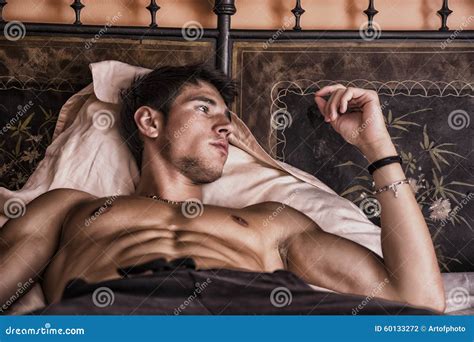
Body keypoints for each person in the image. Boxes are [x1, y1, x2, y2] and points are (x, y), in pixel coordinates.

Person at [0, 64, 445, 314]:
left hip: (258, 314)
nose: (225, 127)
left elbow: (418, 300)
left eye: (227, 117)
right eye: (203, 108)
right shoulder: (71, 208)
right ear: (150, 121)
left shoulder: (271, 221)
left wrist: (376, 146)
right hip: (120, 310)